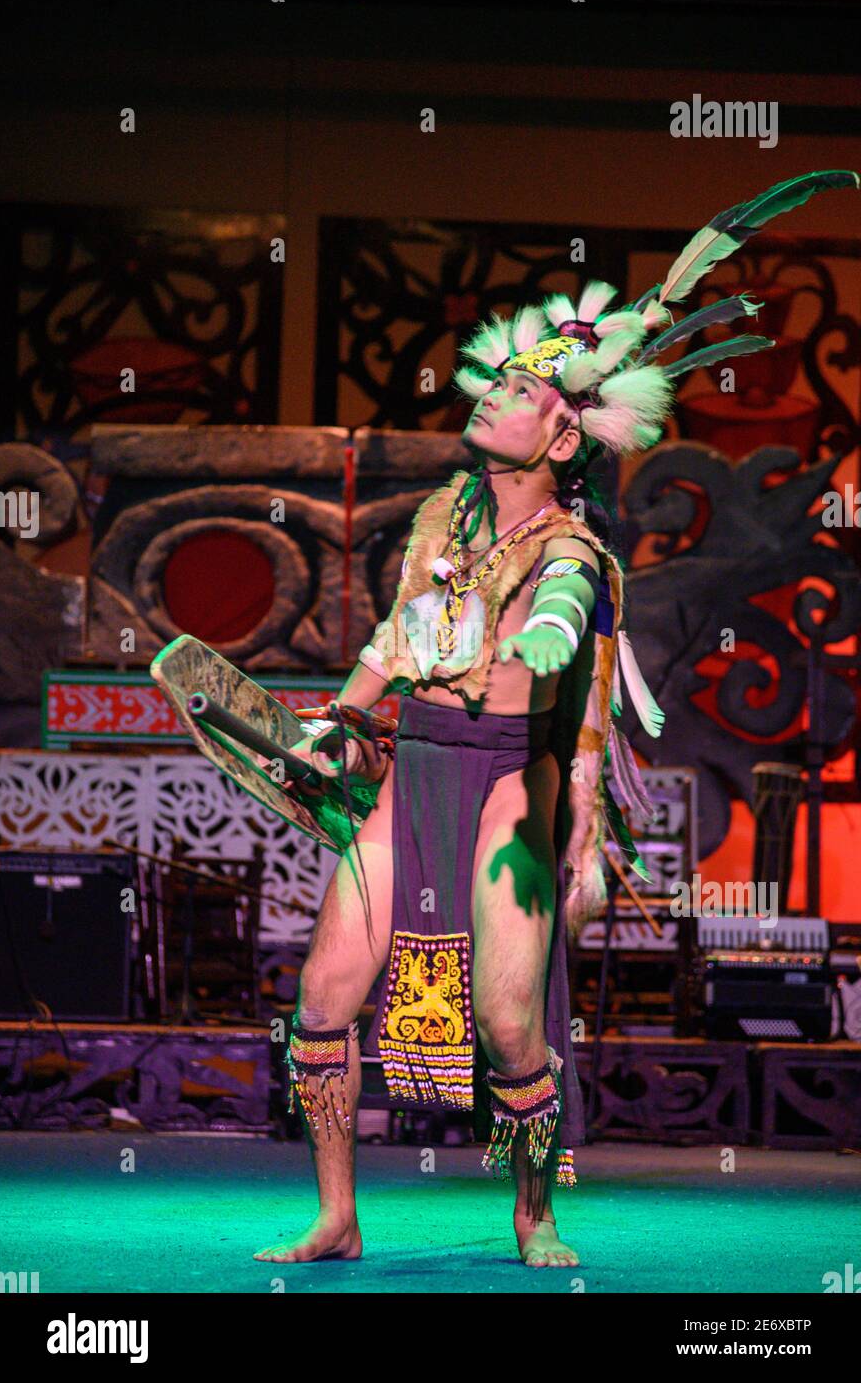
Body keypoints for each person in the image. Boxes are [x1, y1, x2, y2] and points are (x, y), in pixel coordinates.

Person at [252, 170, 858, 1269]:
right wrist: (338, 715)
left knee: (510, 1023)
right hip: (414, 769)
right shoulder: (444, 511)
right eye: (495, 384)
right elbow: (396, 636)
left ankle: (535, 1212)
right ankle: (338, 1218)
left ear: (563, 440)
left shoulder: (574, 555)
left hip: (502, 782)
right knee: (323, 994)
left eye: (518, 393)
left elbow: (567, 619)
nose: (487, 394)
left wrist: (538, 647)